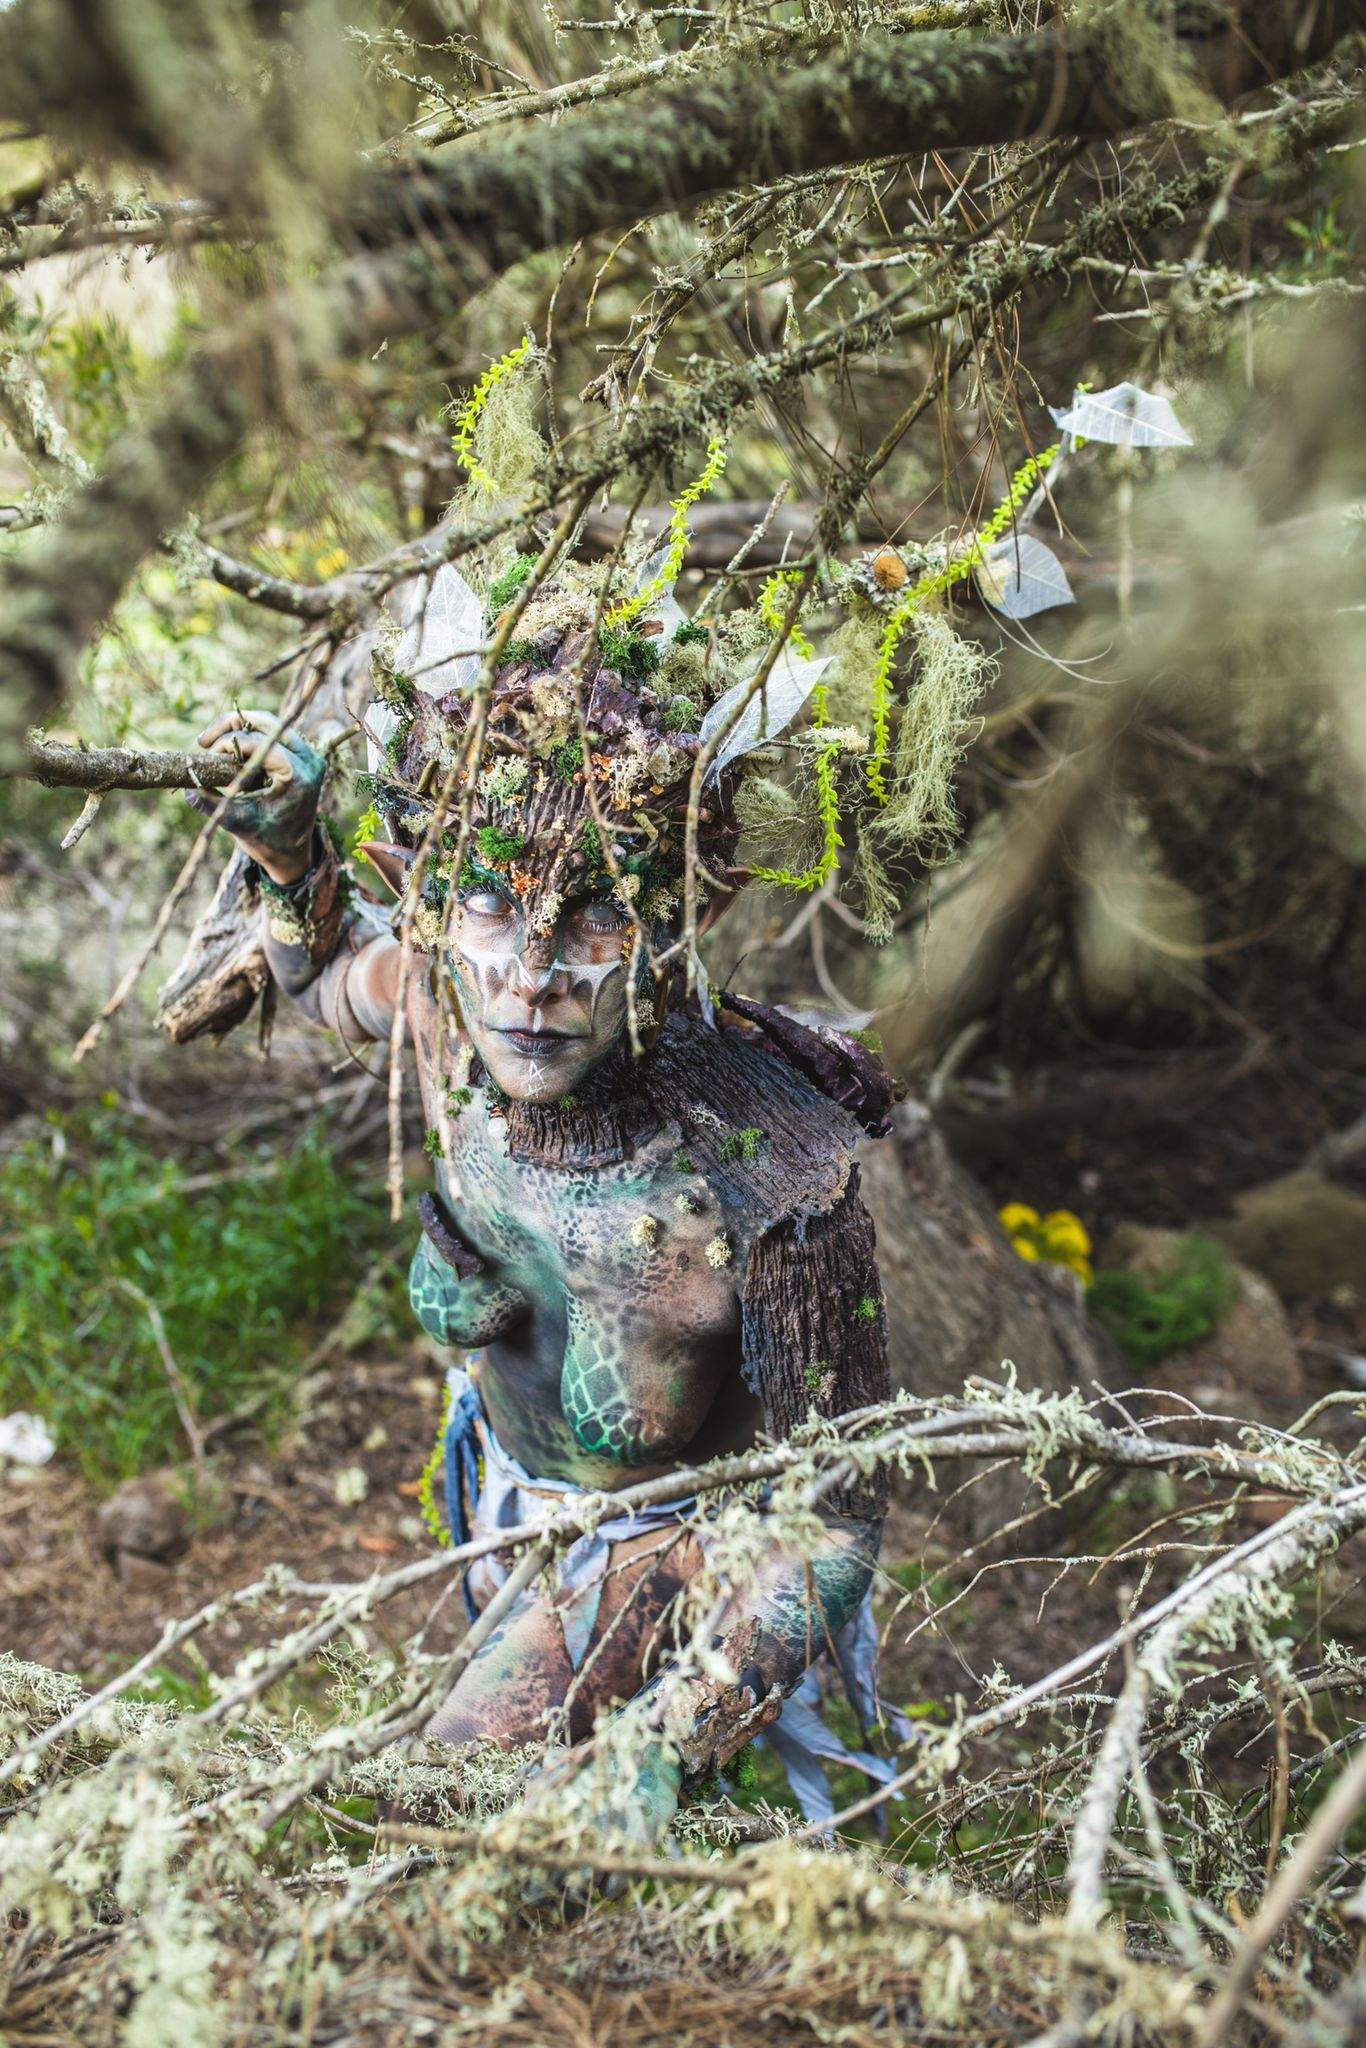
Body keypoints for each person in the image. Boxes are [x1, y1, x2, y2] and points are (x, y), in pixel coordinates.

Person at [192, 553, 898, 1838]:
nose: (532, 978)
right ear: (428, 889)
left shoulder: (772, 1171)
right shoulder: (447, 1000)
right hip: (505, 1490)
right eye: (487, 906)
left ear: (684, 913)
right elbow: (322, 973)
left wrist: (675, 1726)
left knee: (448, 1818)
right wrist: (290, 854)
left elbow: (836, 1513)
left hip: (682, 1547)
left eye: (592, 920)